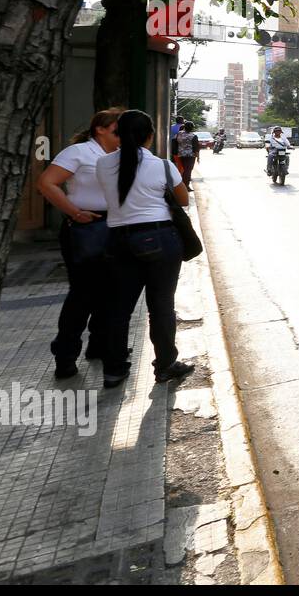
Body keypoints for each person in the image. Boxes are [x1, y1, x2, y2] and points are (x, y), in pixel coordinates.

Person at [95, 109, 194, 389]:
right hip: (160, 239)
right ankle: (165, 366)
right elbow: (183, 200)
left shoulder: (102, 164)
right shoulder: (162, 166)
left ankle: (114, 370)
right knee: (161, 306)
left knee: (118, 308)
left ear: (118, 134)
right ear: (150, 136)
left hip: (118, 240)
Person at [36, 108, 123, 378]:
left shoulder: (119, 156)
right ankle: (65, 354)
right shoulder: (79, 152)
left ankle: (100, 345)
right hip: (86, 226)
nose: (121, 135)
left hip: (113, 226)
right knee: (83, 293)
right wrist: (73, 212)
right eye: (116, 130)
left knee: (110, 292)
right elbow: (46, 183)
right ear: (100, 129)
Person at [175, 120, 200, 190]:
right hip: (190, 156)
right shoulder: (193, 136)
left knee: (185, 170)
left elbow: (176, 142)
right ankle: (186, 186)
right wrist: (198, 157)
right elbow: (196, 148)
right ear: (192, 128)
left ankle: (184, 185)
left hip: (181, 154)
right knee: (188, 171)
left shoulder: (179, 134)